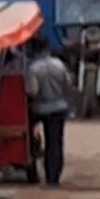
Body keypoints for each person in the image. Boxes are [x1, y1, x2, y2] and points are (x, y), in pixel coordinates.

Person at [25, 34, 74, 185]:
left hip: (40, 109)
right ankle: (53, 178)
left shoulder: (33, 68)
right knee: (55, 143)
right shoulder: (59, 65)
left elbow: (32, 91)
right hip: (58, 108)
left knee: (28, 135)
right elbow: (68, 85)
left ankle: (33, 163)